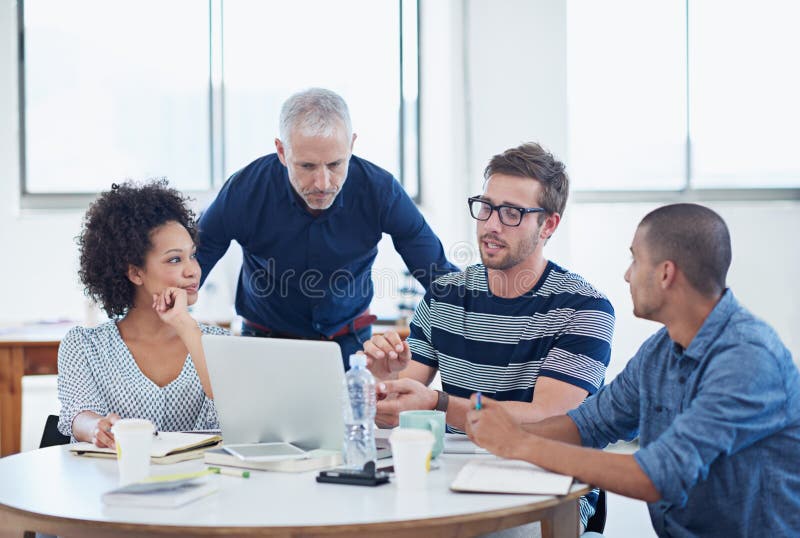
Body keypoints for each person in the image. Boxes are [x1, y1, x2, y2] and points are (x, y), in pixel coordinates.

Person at [466, 203, 800, 538]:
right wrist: (502, 430)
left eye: (635, 260)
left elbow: (659, 476)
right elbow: (586, 425)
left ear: (666, 273)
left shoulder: (748, 358)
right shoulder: (660, 350)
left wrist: (520, 444)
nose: (627, 275)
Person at [363, 142, 615, 529]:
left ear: (548, 225)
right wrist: (384, 379)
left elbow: (549, 417)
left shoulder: (583, 308)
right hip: (451, 474)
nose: (491, 225)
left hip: (544, 485)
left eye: (512, 213)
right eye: (486, 207)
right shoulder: (445, 293)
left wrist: (440, 403)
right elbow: (400, 406)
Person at [195, 88, 457, 368]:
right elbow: (193, 262)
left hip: (351, 346)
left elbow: (438, 275)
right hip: (265, 344)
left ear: (351, 146)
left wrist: (489, 307)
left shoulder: (380, 191)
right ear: (282, 151)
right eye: (307, 166)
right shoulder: (246, 190)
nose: (322, 182)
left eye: (335, 164)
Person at [57, 180, 228, 448]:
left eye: (192, 256)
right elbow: (79, 414)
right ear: (135, 272)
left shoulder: (222, 344)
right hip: (115, 483)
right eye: (175, 259)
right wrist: (95, 428)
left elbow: (236, 406)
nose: (193, 270)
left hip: (204, 485)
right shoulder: (85, 345)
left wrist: (185, 326)